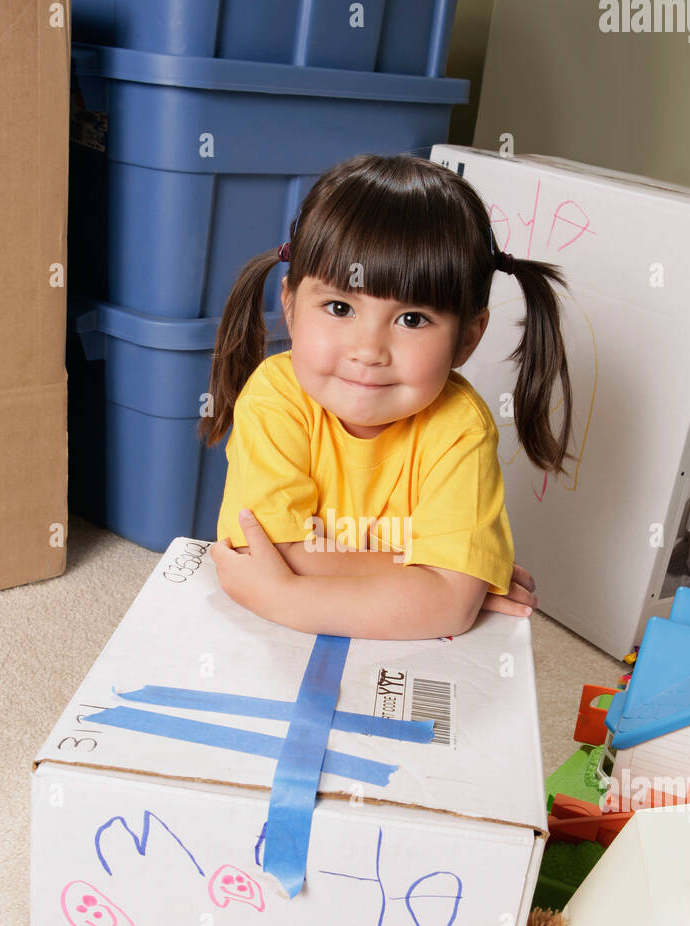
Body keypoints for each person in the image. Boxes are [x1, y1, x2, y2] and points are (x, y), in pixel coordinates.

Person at [202, 152, 573, 640]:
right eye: (339, 307)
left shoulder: (460, 426)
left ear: (467, 337)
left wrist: (282, 592)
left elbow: (448, 607)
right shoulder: (275, 396)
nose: (369, 351)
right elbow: (262, 550)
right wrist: (432, 573)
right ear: (290, 307)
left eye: (412, 319)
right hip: (270, 646)